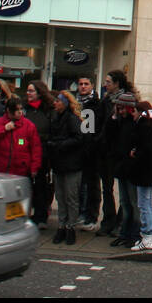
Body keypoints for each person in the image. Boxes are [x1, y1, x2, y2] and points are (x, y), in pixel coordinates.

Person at [47, 91, 86, 245]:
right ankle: (62, 225)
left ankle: (71, 227)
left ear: (64, 103)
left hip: (72, 165)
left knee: (71, 197)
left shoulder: (73, 119)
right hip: (59, 164)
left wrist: (59, 144)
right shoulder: (55, 118)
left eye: (57, 101)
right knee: (60, 197)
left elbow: (79, 139)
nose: (55, 103)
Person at [96, 70, 131, 236]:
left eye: (108, 81)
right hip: (106, 150)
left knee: (124, 190)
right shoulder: (105, 101)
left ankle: (121, 221)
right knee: (107, 188)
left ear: (117, 83)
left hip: (120, 150)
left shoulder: (128, 100)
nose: (105, 84)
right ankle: (108, 221)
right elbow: (100, 123)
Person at [105, 91, 141, 248]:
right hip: (120, 167)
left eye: (121, 108)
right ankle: (124, 233)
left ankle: (134, 234)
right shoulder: (118, 122)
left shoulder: (135, 123)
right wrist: (113, 117)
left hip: (131, 169)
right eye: (117, 108)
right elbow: (109, 136)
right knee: (125, 202)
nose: (119, 111)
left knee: (134, 203)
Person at [128, 100, 152, 250]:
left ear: (140, 112)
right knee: (147, 203)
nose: (132, 115)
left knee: (144, 204)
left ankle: (148, 236)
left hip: (145, 171)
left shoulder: (144, 127)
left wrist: (135, 154)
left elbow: (146, 149)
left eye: (134, 112)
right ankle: (150, 236)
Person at [23, 80, 57, 227]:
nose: (28, 93)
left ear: (39, 93)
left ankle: (41, 215)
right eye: (28, 91)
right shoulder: (24, 109)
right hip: (24, 151)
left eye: (31, 91)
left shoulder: (49, 110)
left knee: (41, 185)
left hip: (43, 153)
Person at [0, 97, 42, 178]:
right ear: (8, 110)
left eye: (21, 109)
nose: (20, 112)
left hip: (21, 171)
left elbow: (36, 148)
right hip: (0, 170)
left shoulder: (29, 126)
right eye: (17, 110)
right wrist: (3, 129)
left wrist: (34, 167)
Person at [76, 76, 103, 229]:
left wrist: (93, 144)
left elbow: (96, 127)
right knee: (78, 185)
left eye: (86, 84)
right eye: (80, 84)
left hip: (91, 151)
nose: (83, 86)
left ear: (92, 86)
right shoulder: (74, 104)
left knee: (92, 186)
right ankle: (80, 212)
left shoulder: (96, 104)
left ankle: (91, 216)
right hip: (77, 149)